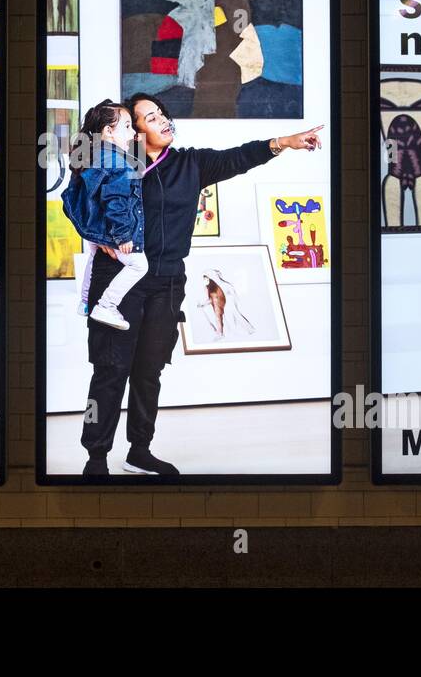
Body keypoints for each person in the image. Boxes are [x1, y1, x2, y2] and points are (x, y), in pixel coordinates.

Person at [80, 92, 323, 476]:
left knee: (149, 370)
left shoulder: (189, 164)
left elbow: (237, 157)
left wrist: (285, 143)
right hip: (120, 282)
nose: (161, 120)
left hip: (167, 282)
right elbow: (80, 202)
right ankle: (96, 458)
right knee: (111, 369)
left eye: (161, 113)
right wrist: (99, 238)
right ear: (134, 131)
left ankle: (138, 451)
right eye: (148, 118)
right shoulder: (113, 164)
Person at [60, 100, 149, 331]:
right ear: (109, 131)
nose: (133, 132)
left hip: (92, 228)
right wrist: (122, 236)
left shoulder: (90, 154)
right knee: (139, 266)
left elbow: (76, 193)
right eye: (128, 126)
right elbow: (116, 202)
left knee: (91, 256)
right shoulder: (120, 163)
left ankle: (85, 303)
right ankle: (106, 305)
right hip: (110, 229)